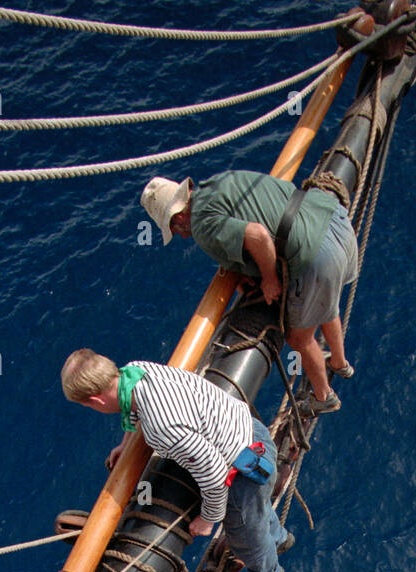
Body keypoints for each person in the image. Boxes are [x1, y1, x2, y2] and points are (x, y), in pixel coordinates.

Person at [61, 351, 292, 572]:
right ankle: (279, 538)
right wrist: (125, 443)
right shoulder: (136, 368)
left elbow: (214, 471)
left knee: (244, 533)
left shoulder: (161, 426)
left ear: (95, 400)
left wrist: (208, 518)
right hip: (250, 431)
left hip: (243, 473)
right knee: (255, 515)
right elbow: (130, 408)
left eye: (87, 405)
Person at [140, 172, 357, 413]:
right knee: (325, 303)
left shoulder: (202, 224)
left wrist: (269, 280)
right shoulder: (218, 181)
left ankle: (324, 396)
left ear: (179, 216)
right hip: (335, 221)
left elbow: (258, 235)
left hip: (319, 257)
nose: (180, 234)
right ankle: (339, 363)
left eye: (173, 227)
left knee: (299, 339)